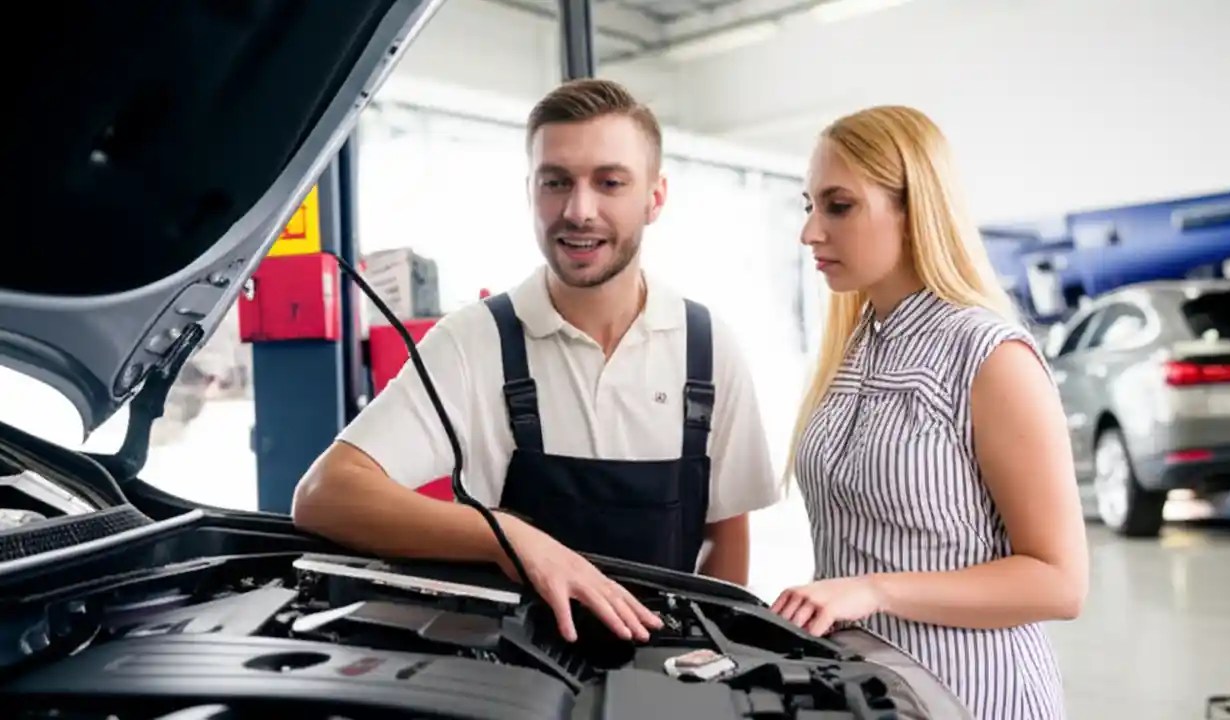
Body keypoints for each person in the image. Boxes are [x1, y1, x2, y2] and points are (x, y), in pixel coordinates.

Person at [292, 78, 780, 646]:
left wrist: (709, 667)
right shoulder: (475, 343)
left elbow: (726, 535)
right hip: (515, 675)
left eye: (610, 182)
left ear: (655, 197)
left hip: (663, 674)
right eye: (556, 182)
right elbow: (325, 494)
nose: (579, 210)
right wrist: (507, 536)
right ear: (531, 191)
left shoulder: (709, 347)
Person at [770, 106, 1088, 720]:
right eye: (809, 205)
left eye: (839, 206)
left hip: (972, 698)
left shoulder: (991, 357)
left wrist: (875, 590)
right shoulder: (855, 345)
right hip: (867, 694)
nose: (810, 231)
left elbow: (1059, 582)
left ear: (914, 212)